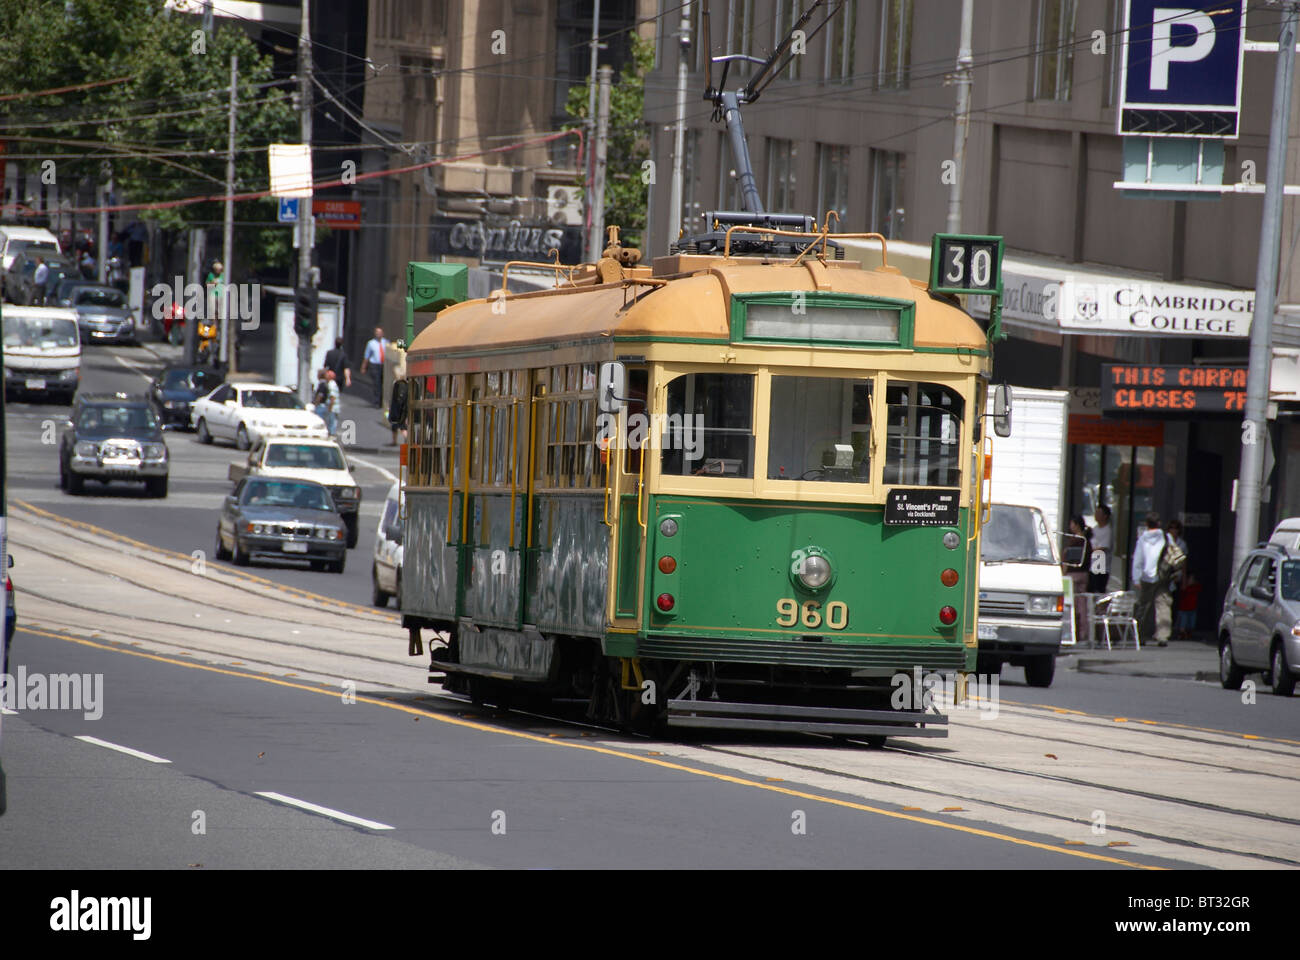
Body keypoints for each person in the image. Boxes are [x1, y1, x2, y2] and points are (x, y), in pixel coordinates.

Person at [1132, 512, 1174, 647]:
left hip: (1146, 577)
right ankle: (1163, 635)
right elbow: (1173, 555)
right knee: (1163, 604)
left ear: (1146, 524)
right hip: (1163, 576)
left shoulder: (1142, 540)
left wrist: (1136, 578)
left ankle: (1140, 635)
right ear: (1159, 524)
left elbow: (1138, 560)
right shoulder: (1167, 537)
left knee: (1144, 606)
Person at [1062, 514, 1092, 596]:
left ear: (1077, 525)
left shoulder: (1074, 541)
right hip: (1084, 574)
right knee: (1082, 600)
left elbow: (1067, 559)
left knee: (1070, 599)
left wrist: (1063, 573)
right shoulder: (1087, 541)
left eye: (1071, 523)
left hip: (1072, 574)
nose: (1070, 526)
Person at [1087, 504, 1113, 593]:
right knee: (1091, 589)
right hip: (1092, 564)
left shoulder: (1108, 530)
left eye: (1098, 513)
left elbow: (1104, 547)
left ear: (1105, 516)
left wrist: (1090, 551)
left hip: (1102, 566)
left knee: (1099, 590)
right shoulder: (1095, 529)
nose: (1096, 515)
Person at [361, 325, 389, 408]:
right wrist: (363, 367)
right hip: (374, 365)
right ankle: (377, 402)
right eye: (377, 332)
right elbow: (367, 356)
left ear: (382, 333)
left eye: (380, 332)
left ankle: (382, 401)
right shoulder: (371, 343)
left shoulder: (386, 342)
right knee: (377, 383)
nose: (378, 334)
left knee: (383, 383)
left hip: (383, 365)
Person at [1174, 570, 1202, 641]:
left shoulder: (1196, 587)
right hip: (1183, 609)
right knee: (1183, 623)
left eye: (1192, 579)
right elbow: (1182, 589)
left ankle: (1188, 634)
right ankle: (1181, 634)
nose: (1191, 581)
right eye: (1189, 579)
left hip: (1192, 609)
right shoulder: (1184, 588)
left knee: (1191, 624)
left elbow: (1199, 588)